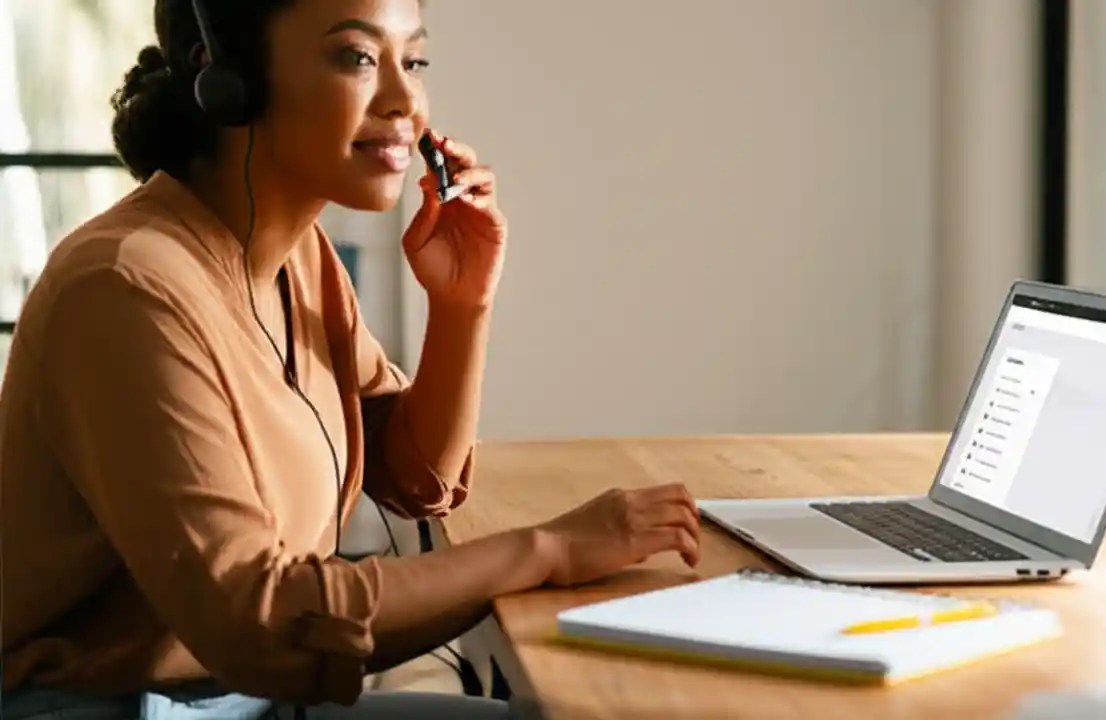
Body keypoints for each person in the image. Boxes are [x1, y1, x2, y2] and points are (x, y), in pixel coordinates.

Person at [0, 0, 702, 718]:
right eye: (358, 58)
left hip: (249, 695)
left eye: (415, 61)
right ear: (230, 79)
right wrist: (546, 550)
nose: (405, 102)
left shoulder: (297, 255)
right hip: (108, 705)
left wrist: (461, 307)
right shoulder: (126, 289)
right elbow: (258, 620)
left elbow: (413, 479)